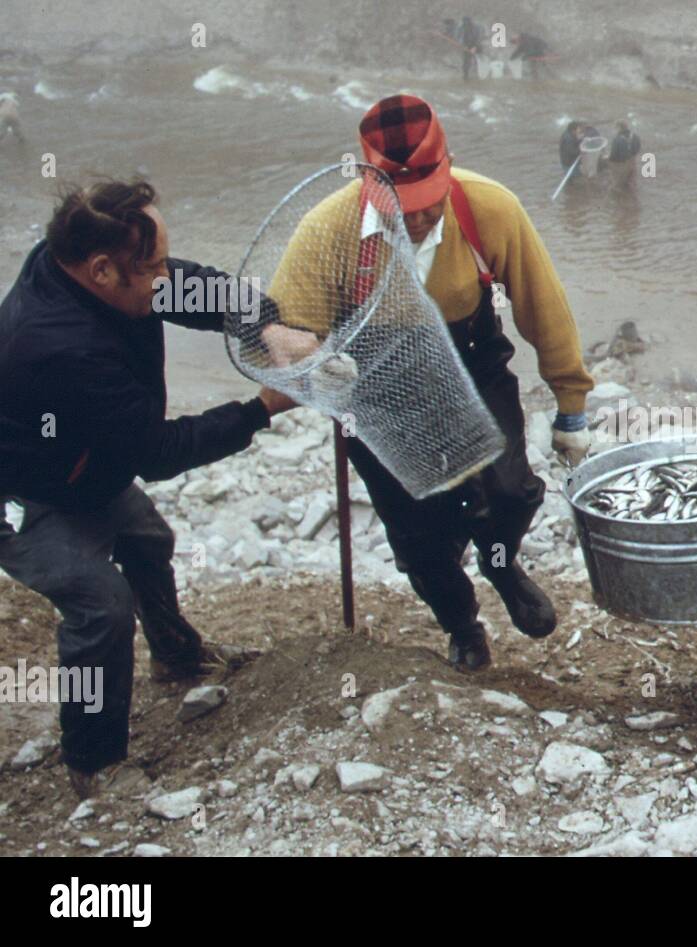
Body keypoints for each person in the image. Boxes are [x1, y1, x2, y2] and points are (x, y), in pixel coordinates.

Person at [267, 95, 594, 672]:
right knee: (420, 533)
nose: (419, 219)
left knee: (510, 493)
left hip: (471, 361)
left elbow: (543, 305)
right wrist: (315, 359)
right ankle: (462, 623)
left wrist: (571, 403)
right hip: (376, 385)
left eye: (428, 205)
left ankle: (499, 563)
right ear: (370, 186)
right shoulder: (329, 230)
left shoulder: (489, 207)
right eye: (403, 208)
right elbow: (283, 327)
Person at [0, 180, 297, 799]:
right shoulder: (58, 347)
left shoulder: (71, 262)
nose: (166, 277)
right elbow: (155, 451)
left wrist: (259, 321)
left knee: (146, 539)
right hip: (22, 491)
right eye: (153, 266)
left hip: (79, 460)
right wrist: (261, 409)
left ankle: (177, 657)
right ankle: (93, 761)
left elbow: (179, 284)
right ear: (102, 269)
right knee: (102, 605)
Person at [608, 120, 642, 189]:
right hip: (632, 162)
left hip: (621, 164)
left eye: (615, 128)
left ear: (619, 128)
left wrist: (609, 160)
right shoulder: (635, 136)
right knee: (632, 182)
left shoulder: (617, 139)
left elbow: (613, 155)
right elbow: (638, 148)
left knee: (617, 185)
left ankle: (621, 198)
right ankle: (633, 196)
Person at [455, 15, 482, 82]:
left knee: (478, 60)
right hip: (465, 46)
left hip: (475, 45)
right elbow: (458, 37)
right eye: (464, 21)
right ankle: (465, 76)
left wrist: (475, 47)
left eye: (467, 21)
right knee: (466, 61)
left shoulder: (475, 28)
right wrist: (462, 45)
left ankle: (478, 74)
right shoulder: (461, 28)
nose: (466, 23)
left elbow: (478, 38)